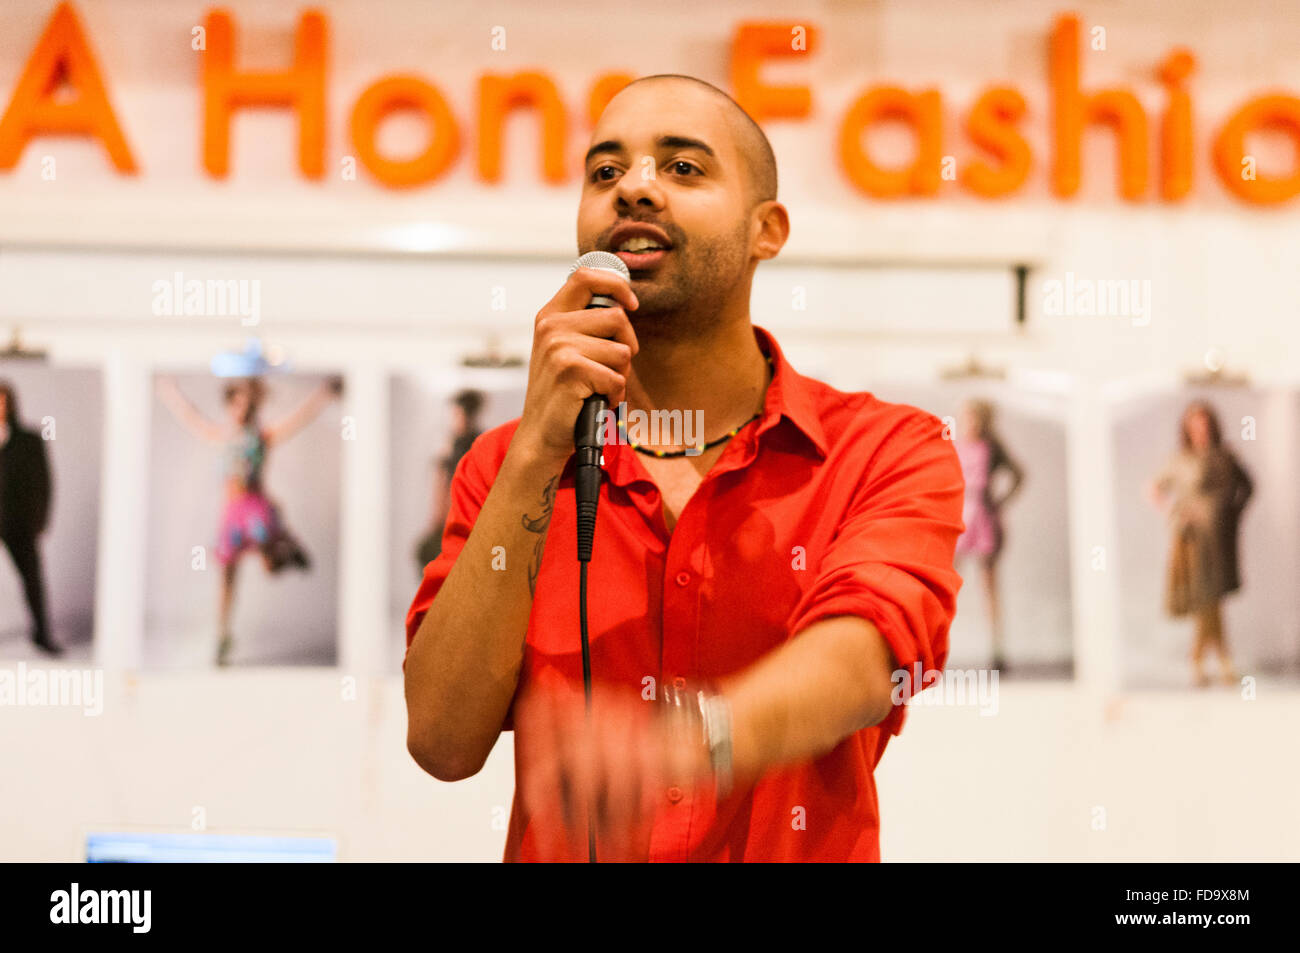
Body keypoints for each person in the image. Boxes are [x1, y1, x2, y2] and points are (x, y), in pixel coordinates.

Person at [403, 74, 965, 862]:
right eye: (605, 171)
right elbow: (441, 739)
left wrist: (684, 742)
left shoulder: (885, 448)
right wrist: (537, 446)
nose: (634, 187)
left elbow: (868, 657)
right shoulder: (505, 462)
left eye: (683, 168)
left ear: (767, 230)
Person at [156, 374, 342, 666]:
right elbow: (191, 417)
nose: (241, 408)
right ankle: (222, 635)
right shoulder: (221, 435)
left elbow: (297, 419)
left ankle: (285, 548)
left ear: (253, 405)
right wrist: (169, 391)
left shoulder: (262, 437)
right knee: (227, 574)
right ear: (230, 403)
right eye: (237, 402)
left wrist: (323, 394)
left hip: (255, 507)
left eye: (247, 403)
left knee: (267, 551)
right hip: (231, 512)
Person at [1146, 400, 1253, 687]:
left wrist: (1233, 514)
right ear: (1187, 429)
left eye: (1205, 424)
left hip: (1220, 537)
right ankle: (1218, 660)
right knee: (1206, 597)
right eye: (1195, 425)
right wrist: (1175, 513)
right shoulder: (1180, 460)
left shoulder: (1225, 456)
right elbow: (1154, 489)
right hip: (1194, 539)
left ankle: (1204, 661)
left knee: (1215, 596)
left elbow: (1247, 488)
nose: (1201, 430)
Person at [952, 398, 1024, 672]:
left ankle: (997, 650)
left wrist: (1000, 501)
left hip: (983, 520)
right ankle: (931, 648)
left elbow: (1019, 474)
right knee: (948, 587)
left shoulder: (992, 448)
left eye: (969, 418)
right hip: (959, 520)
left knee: (989, 589)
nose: (965, 424)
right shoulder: (956, 447)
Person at [0, 380, 59, 655]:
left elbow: (44, 481)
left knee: (33, 579)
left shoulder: (30, 440)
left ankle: (42, 634)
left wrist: (40, 520)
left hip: (19, 522)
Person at [415, 389, 485, 572]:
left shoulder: (470, 446)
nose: (453, 419)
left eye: (456, 414)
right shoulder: (458, 444)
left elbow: (447, 482)